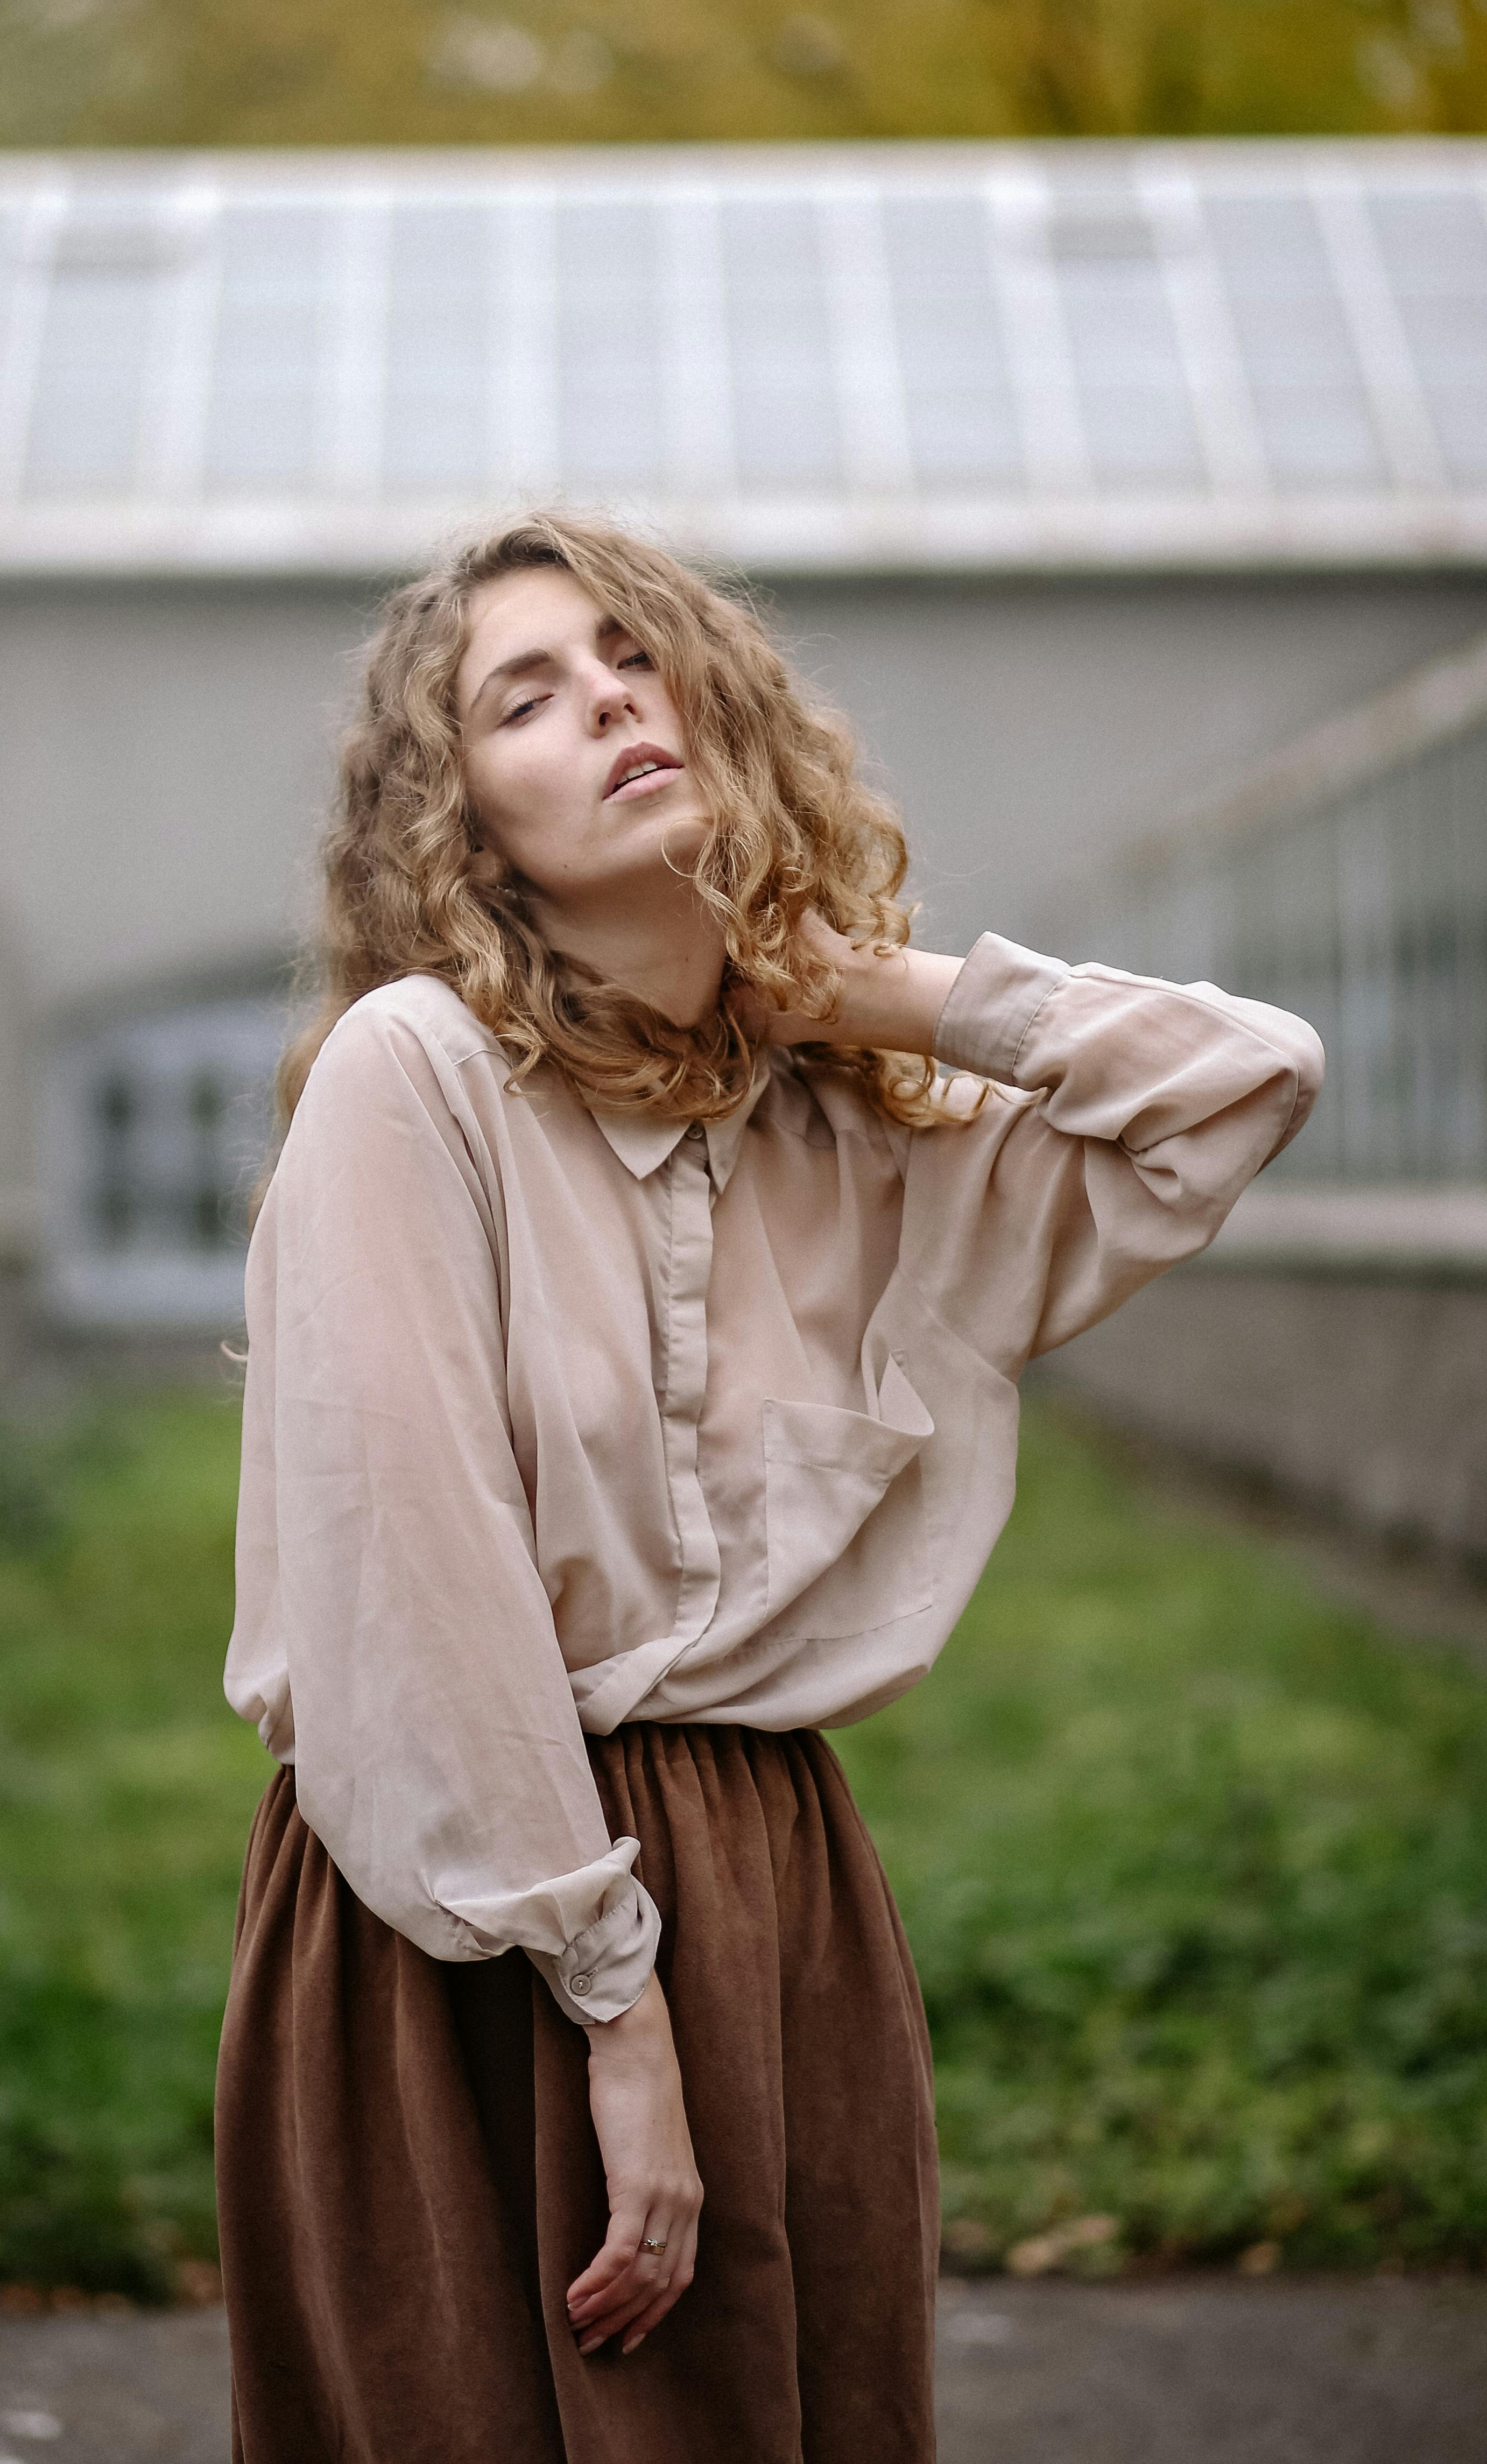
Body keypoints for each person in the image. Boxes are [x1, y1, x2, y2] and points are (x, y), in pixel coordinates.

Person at [216, 512, 1322, 2464]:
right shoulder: (421, 1076)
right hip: (460, 1900)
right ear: (461, 819)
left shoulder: (858, 1127)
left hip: (771, 1877)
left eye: (638, 658)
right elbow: (418, 1575)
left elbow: (1238, 1087)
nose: (611, 701)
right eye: (527, 697)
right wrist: (612, 2012)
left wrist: (873, 997)